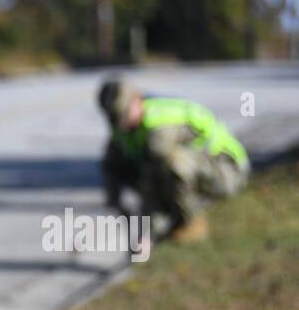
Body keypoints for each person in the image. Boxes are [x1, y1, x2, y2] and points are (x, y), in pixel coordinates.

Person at [98, 78, 250, 243]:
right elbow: (111, 166)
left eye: (123, 114)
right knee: (139, 169)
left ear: (136, 101)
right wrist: (116, 203)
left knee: (172, 163)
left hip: (228, 170)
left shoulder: (160, 124)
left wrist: (150, 230)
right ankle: (172, 221)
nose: (120, 123)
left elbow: (153, 177)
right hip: (202, 169)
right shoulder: (123, 128)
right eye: (114, 118)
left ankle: (192, 223)